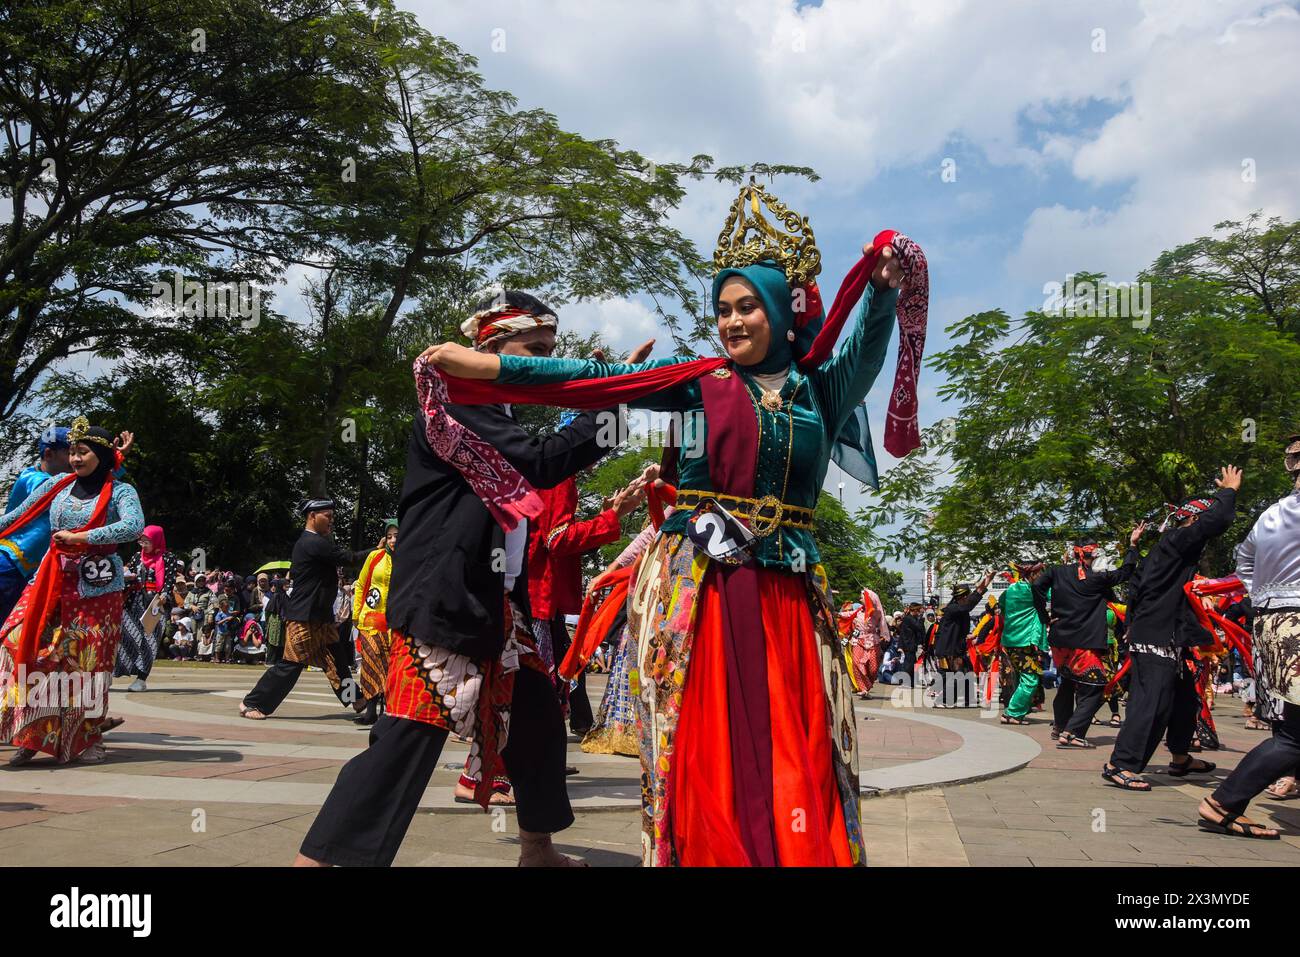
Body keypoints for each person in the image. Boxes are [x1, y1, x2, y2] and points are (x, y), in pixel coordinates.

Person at [419, 181, 926, 866]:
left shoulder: (818, 392)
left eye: (748, 306)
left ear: (780, 309)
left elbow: (867, 349)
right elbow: (589, 376)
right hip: (706, 589)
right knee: (708, 733)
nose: (733, 321)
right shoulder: (698, 381)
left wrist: (885, 287)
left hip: (787, 595)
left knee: (794, 736)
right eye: (723, 308)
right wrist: (492, 367)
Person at [296, 288, 630, 867]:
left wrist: (607, 399)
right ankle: (323, 863)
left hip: (498, 603)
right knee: (407, 738)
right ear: (493, 347)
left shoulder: (493, 409)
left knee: (537, 722)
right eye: (534, 350)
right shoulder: (455, 401)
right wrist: (613, 400)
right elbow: (541, 462)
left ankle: (537, 848)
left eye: (552, 352)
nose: (544, 364)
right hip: (444, 597)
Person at [0, 417, 145, 764]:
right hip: (48, 581)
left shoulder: (121, 491)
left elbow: (133, 526)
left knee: (86, 664)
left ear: (101, 455)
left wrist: (83, 538)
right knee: (19, 643)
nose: (76, 459)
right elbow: (17, 515)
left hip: (96, 587)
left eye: (84, 453)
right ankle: (32, 731)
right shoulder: (60, 485)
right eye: (74, 453)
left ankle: (88, 734)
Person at [1102, 469, 1239, 790]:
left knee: (1184, 699)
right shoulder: (1177, 540)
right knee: (1152, 702)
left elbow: (1134, 589)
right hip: (1155, 635)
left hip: (1163, 633)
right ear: (1193, 520)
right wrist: (1229, 492)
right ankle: (1119, 764)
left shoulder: (1166, 550)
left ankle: (1180, 757)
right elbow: (1215, 523)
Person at [1198, 437, 1300, 838]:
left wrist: (1265, 597)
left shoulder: (1271, 514)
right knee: (1294, 736)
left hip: (1273, 624)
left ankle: (1225, 802)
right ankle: (1223, 802)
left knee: (1292, 730)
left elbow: (1243, 561)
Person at [239, 500, 371, 719]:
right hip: (304, 616)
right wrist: (378, 550)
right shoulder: (313, 542)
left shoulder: (315, 542)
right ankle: (253, 703)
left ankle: (355, 699)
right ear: (312, 516)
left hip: (321, 617)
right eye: (327, 516)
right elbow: (350, 559)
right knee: (291, 663)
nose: (331, 520)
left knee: (336, 661)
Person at [1034, 527, 1145, 748]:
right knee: (1096, 687)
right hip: (1083, 643)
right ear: (1093, 555)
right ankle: (1073, 733)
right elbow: (1126, 571)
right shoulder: (1098, 579)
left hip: (1060, 640)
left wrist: (1044, 616)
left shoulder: (1056, 571)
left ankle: (1060, 726)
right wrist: (1133, 545)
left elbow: (1036, 585)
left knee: (1067, 682)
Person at [114, 524, 179, 692]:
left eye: (146, 541)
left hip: (156, 604)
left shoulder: (168, 558)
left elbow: (169, 580)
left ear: (156, 540)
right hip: (135, 601)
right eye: (141, 541)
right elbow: (130, 576)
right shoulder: (137, 556)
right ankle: (115, 672)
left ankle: (141, 679)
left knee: (149, 641)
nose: (143, 545)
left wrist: (164, 594)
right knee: (127, 636)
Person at [351, 519, 398, 726]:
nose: (393, 540)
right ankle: (370, 711)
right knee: (370, 663)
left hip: (395, 623)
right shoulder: (374, 556)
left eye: (397, 535)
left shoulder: (410, 559)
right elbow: (361, 585)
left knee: (390, 667)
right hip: (370, 620)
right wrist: (356, 613)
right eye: (389, 536)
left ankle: (388, 711)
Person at [999, 559, 1049, 724]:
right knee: (1031, 679)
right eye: (1040, 573)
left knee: (1022, 678)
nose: (1042, 576)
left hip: (1010, 639)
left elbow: (1002, 604)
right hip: (1025, 641)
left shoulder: (1010, 590)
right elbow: (1055, 593)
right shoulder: (1034, 590)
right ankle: (1012, 713)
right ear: (1033, 574)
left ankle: (1018, 710)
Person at [932, 576, 993, 708]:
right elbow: (970, 604)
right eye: (966, 597)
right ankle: (942, 700)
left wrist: (987, 582)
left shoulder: (961, 610)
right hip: (948, 649)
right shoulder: (953, 609)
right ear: (961, 597)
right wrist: (982, 587)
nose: (967, 599)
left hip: (957, 648)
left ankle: (968, 699)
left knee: (967, 672)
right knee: (956, 675)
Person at [848, 587, 891, 699]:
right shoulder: (857, 611)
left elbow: (879, 613)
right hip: (858, 640)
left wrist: (884, 634)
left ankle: (867, 686)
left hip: (873, 641)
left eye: (862, 596)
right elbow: (846, 616)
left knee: (873, 668)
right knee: (856, 663)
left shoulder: (876, 613)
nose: (860, 597)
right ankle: (863, 688)